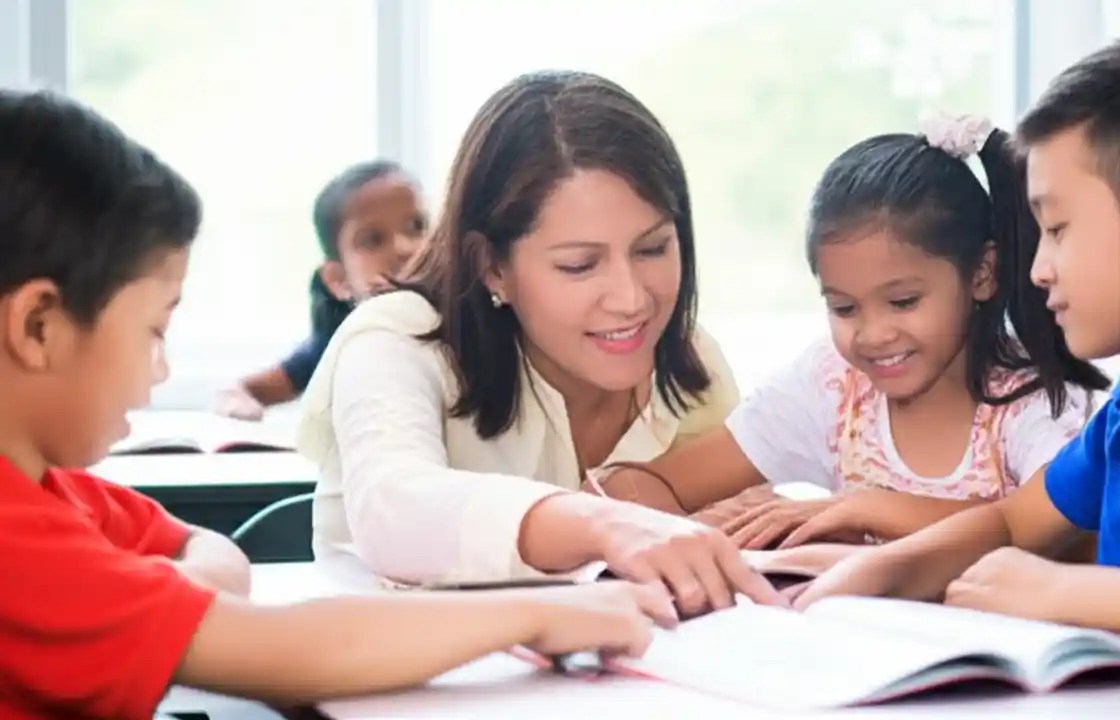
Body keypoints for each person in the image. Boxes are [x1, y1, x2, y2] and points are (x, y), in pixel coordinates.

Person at [0, 88, 672, 720]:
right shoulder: (15, 538)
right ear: (38, 327)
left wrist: (185, 591)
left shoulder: (59, 494)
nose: (162, 370)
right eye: (153, 331)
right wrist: (537, 614)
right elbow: (293, 648)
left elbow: (214, 555)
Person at [793, 26, 1120, 657]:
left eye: (1057, 228)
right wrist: (875, 574)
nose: (1038, 268)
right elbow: (1012, 521)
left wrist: (1060, 591)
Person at [296, 70, 786, 617]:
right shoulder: (398, 338)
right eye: (579, 265)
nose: (631, 300)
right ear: (493, 268)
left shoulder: (690, 360)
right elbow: (392, 510)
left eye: (652, 249)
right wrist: (606, 525)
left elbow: (736, 526)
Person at [586, 116, 1109, 553]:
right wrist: (705, 540)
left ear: (982, 274)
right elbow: (631, 485)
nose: (874, 334)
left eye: (904, 301)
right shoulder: (833, 386)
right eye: (843, 307)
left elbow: (1046, 527)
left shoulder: (1034, 397)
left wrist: (865, 508)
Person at [215, 161, 429, 420]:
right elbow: (238, 391)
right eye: (373, 239)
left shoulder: (470, 325)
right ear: (338, 279)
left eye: (417, 226)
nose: (405, 248)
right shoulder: (337, 348)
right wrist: (240, 410)